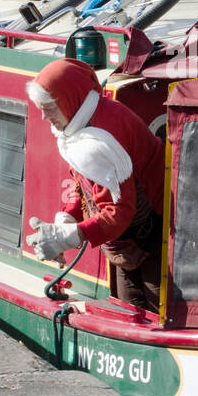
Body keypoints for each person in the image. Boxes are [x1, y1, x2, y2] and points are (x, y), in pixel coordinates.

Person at [25, 59, 165, 312]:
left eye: (48, 108)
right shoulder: (82, 122)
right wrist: (66, 220)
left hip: (156, 235)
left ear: (69, 100)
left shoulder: (100, 139)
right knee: (129, 309)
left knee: (154, 313)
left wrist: (68, 237)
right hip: (127, 239)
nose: (43, 116)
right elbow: (84, 184)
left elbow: (120, 211)